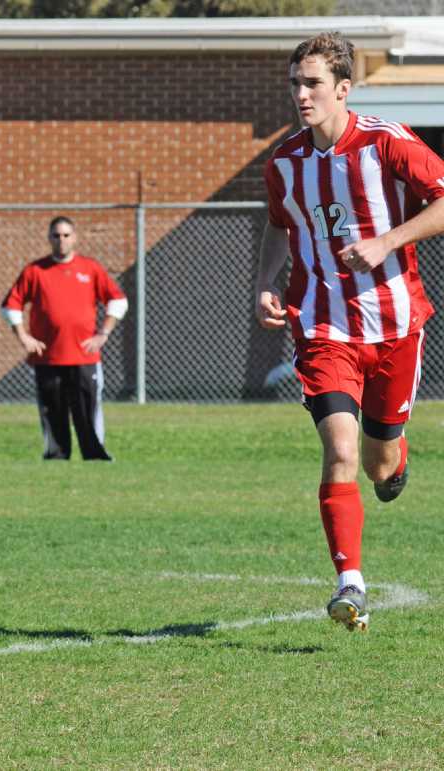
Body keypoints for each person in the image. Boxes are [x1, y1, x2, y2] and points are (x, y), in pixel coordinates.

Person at [256, 32, 444, 632]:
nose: (301, 94)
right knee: (338, 449)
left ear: (343, 88)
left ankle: (393, 457)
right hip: (321, 325)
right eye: (295, 83)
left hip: (394, 326)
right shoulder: (284, 162)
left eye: (313, 83)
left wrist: (389, 241)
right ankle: (350, 584)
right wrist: (266, 282)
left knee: (379, 464)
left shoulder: (387, 143)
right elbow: (280, 225)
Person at [1, 216, 128, 461]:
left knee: (88, 410)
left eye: (66, 235)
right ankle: (56, 455)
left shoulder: (90, 269)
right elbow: (10, 305)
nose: (62, 240)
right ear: (49, 238)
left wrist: (103, 333)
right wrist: (23, 336)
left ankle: (95, 454)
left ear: (75, 237)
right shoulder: (35, 271)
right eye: (56, 235)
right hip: (47, 357)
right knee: (53, 409)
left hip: (85, 355)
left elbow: (118, 300)